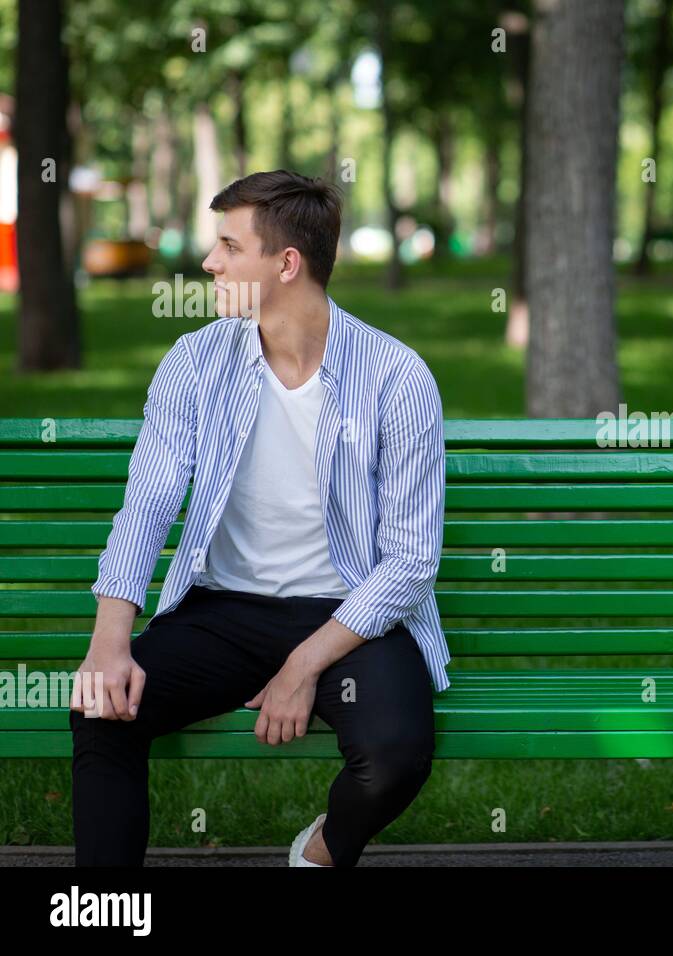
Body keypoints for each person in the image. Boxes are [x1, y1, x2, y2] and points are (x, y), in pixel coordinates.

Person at [68, 170, 449, 867]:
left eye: (228, 246)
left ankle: (322, 850)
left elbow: (410, 562)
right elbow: (148, 504)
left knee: (395, 755)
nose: (209, 263)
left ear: (285, 264)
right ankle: (104, 910)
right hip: (224, 613)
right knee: (101, 708)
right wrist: (109, 642)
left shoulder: (396, 376)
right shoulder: (195, 361)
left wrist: (303, 664)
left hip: (349, 617)